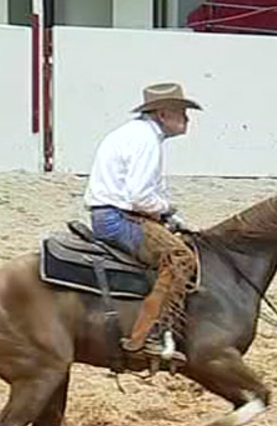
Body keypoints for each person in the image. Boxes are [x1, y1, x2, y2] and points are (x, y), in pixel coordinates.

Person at [84, 82, 202, 366]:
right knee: (181, 258)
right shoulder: (146, 141)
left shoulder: (136, 135)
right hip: (118, 218)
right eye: (181, 111)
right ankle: (149, 335)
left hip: (112, 213)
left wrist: (170, 218)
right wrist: (166, 209)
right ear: (163, 114)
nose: (186, 117)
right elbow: (140, 196)